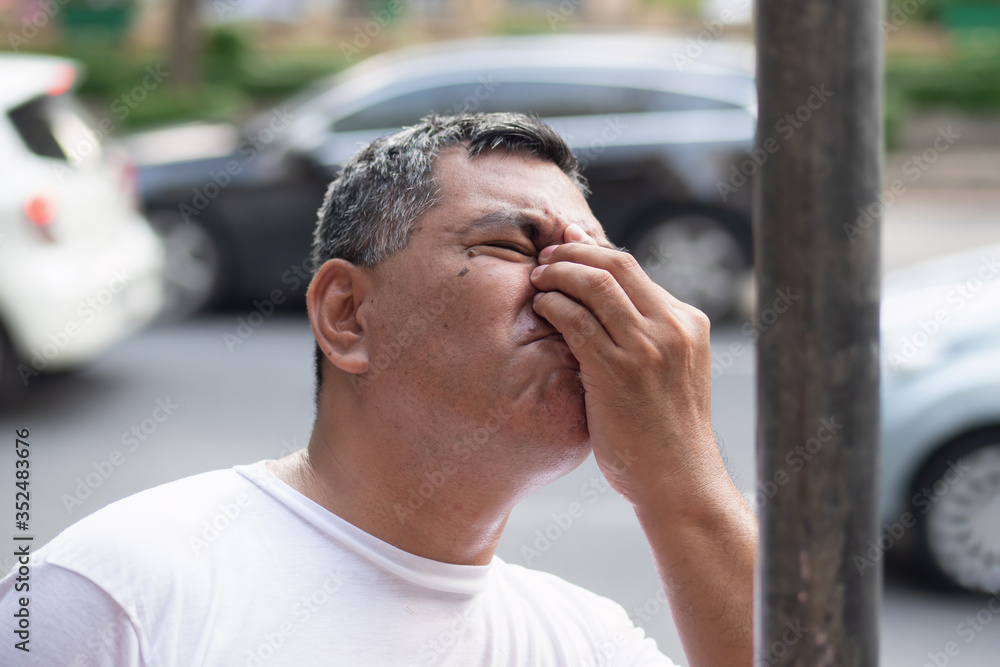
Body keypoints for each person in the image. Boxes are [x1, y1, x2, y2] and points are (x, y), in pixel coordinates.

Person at [1, 113, 756, 666]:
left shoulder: (585, 639)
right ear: (347, 313)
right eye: (509, 245)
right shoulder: (117, 592)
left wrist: (683, 480)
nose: (587, 292)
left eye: (598, 258)